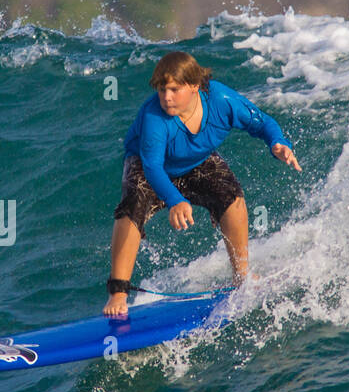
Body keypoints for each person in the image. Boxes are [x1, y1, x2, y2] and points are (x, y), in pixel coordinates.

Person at [104, 50, 300, 317]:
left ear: (195, 86)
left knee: (231, 197)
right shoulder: (154, 117)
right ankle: (118, 292)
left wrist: (278, 143)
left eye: (174, 89)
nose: (166, 97)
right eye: (161, 90)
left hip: (197, 160)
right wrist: (175, 200)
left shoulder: (221, 101)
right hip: (150, 165)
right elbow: (152, 167)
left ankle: (242, 277)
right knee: (133, 205)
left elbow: (262, 122)